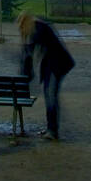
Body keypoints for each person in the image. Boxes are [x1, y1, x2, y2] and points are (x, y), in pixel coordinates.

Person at [17, 11, 75, 140]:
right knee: (50, 95)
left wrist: (26, 71)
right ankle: (51, 128)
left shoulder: (38, 29)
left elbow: (29, 53)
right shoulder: (39, 28)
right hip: (54, 65)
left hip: (56, 66)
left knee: (50, 96)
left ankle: (53, 130)